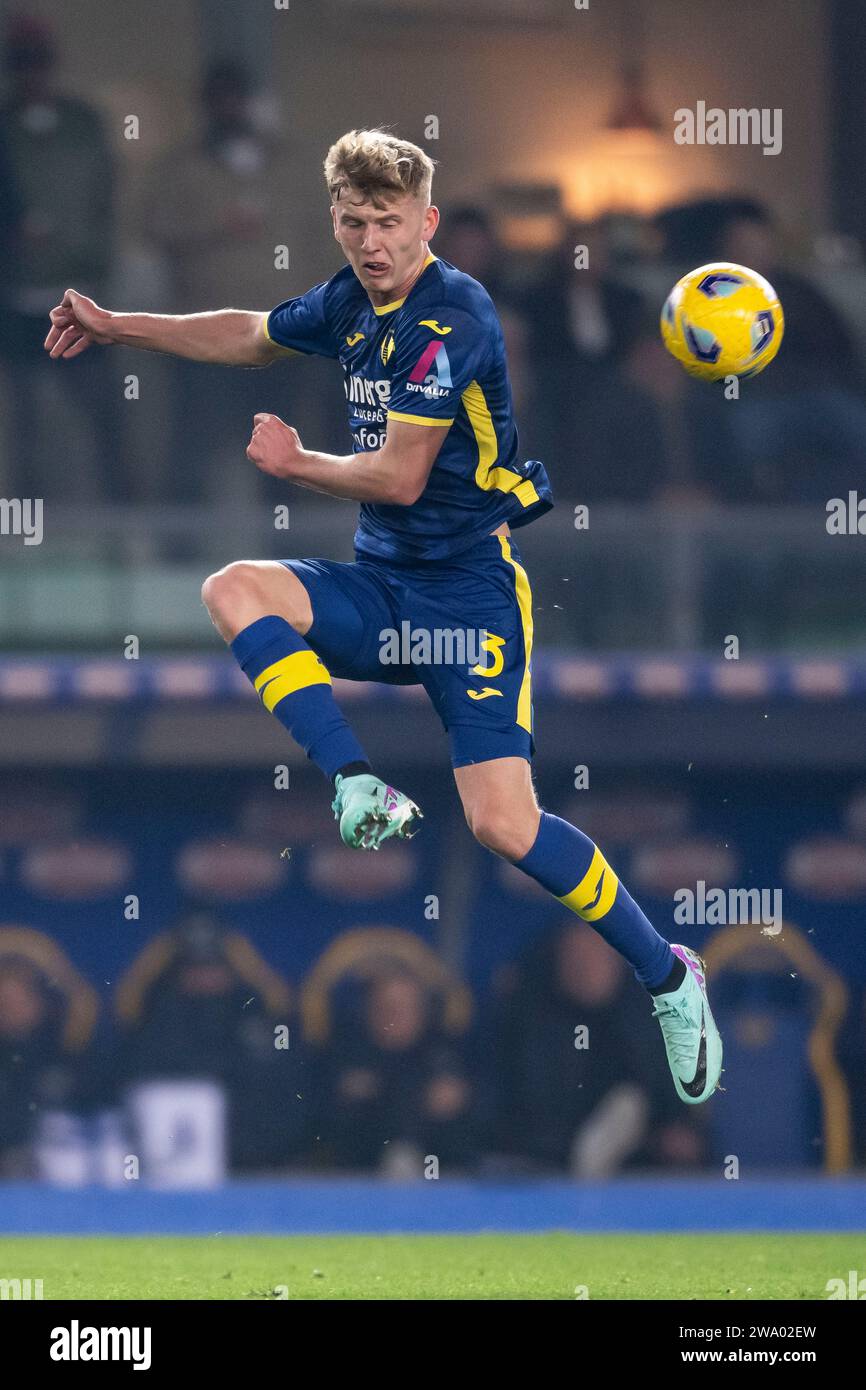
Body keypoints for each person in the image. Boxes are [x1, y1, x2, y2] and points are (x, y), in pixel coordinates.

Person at [45, 127, 722, 1105]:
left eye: (389, 224)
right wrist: (121, 326)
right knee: (234, 586)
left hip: (470, 599)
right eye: (354, 222)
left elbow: (401, 476)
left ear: (426, 223)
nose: (370, 241)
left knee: (502, 826)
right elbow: (252, 330)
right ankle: (355, 785)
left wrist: (300, 463)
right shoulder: (347, 300)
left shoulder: (454, 315)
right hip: (382, 590)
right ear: (336, 220)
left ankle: (666, 973)